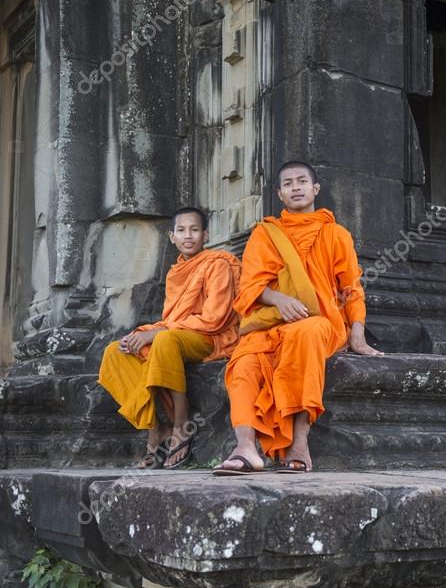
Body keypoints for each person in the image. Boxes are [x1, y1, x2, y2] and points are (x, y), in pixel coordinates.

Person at [214, 161, 381, 475]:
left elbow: (350, 288)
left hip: (319, 322)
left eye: (302, 181)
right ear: (280, 194)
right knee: (244, 363)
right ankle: (246, 447)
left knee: (304, 335)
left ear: (315, 189)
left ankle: (299, 441)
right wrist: (278, 298)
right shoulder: (265, 234)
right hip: (271, 323)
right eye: (288, 184)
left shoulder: (336, 234)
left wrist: (357, 333)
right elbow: (250, 286)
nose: (296, 187)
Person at [98, 207, 241, 469]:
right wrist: (147, 333)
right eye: (182, 230)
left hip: (212, 337)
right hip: (179, 334)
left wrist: (158, 332)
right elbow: (173, 319)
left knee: (164, 341)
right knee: (116, 351)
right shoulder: (176, 271)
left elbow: (214, 319)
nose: (188, 236)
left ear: (205, 235)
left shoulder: (218, 263)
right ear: (171, 237)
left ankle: (181, 425)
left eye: (195, 230)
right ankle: (157, 428)